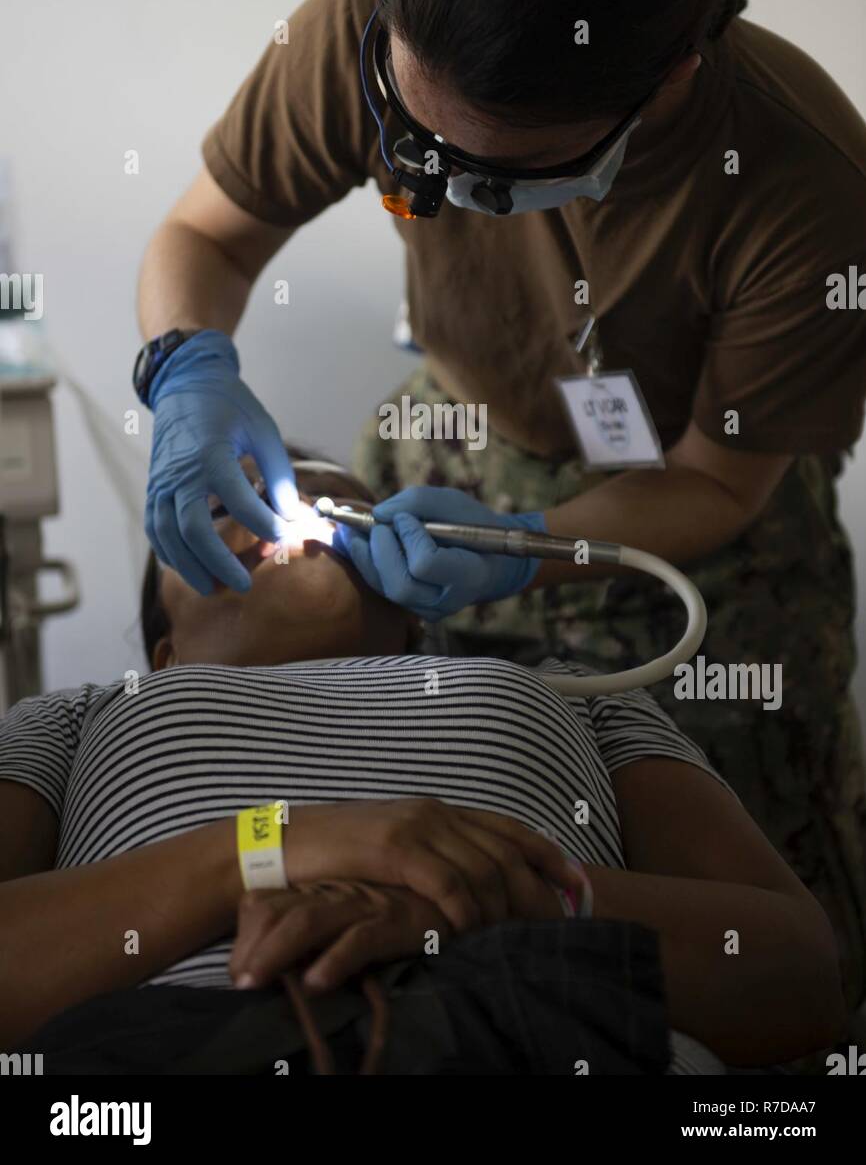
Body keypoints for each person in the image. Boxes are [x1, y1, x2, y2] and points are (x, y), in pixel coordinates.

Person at [133, 0, 866, 1008]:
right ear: (155, 655)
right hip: (453, 447)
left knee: (741, 894)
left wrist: (532, 549)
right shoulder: (360, 20)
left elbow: (707, 481)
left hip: (693, 522)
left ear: (669, 72)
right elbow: (206, 236)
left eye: (492, 165)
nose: (428, 177)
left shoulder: (803, 185)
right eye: (406, 133)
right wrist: (187, 371)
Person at [0, 458, 845, 1071]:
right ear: (165, 651)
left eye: (330, 494)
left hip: (535, 1023)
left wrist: (504, 900)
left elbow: (800, 975)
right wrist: (268, 847)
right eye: (225, 506)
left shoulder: (580, 695)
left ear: (415, 616)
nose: (279, 502)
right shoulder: (75, 715)